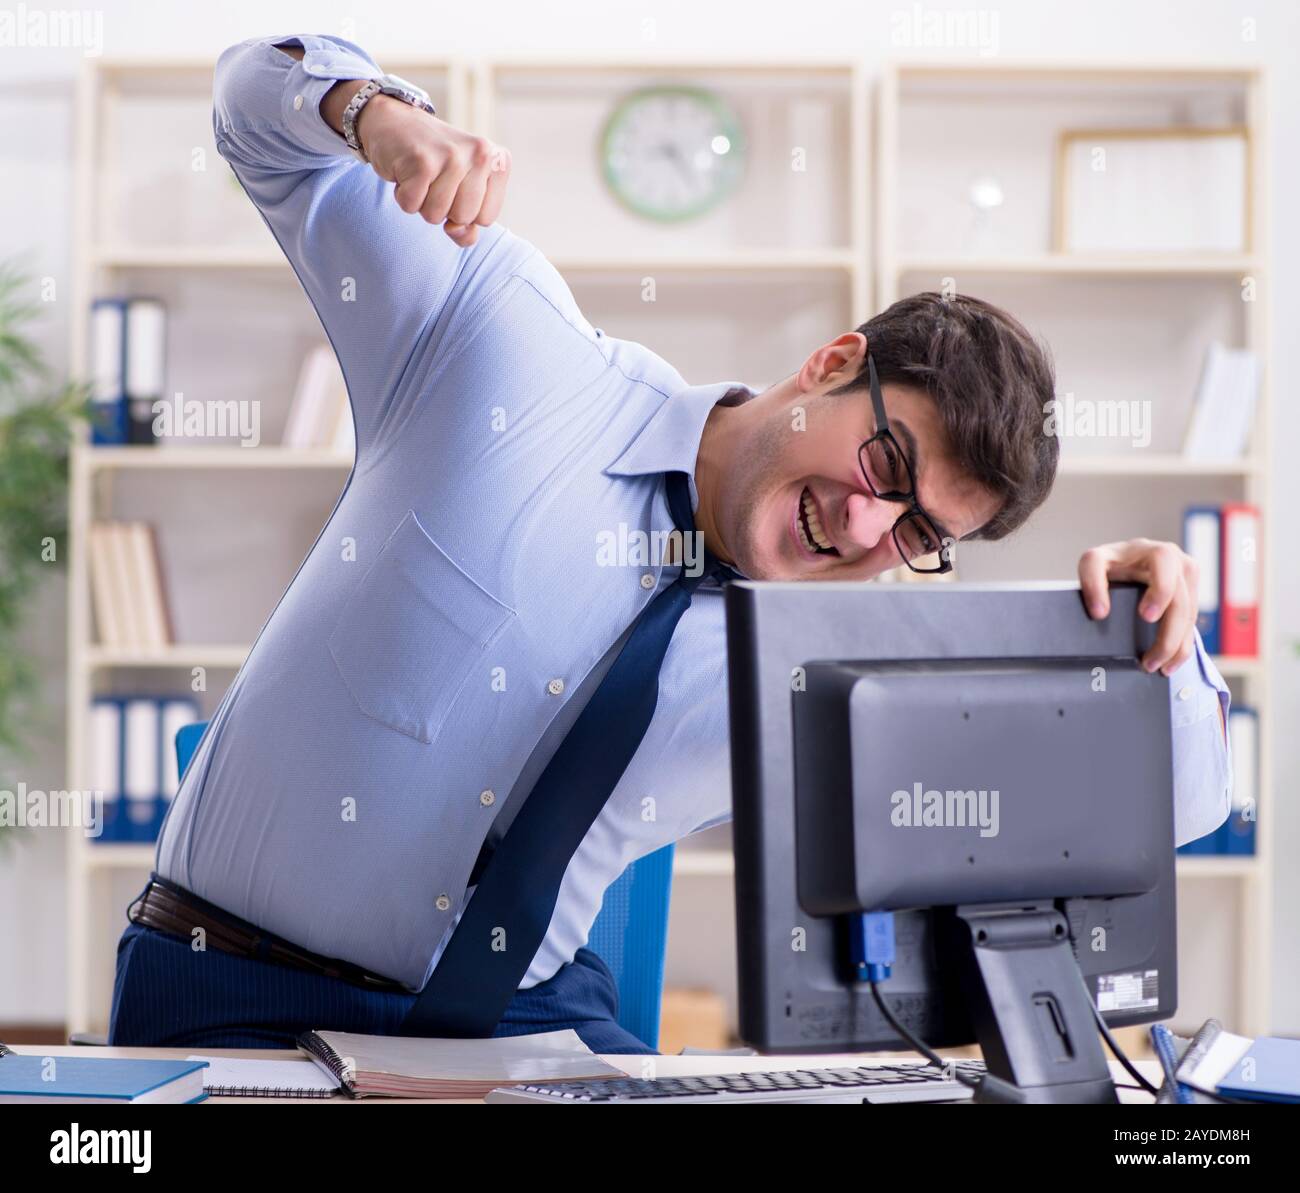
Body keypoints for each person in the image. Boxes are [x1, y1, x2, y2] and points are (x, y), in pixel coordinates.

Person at [109, 33, 1230, 1053]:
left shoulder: (829, 659)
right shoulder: (509, 351)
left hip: (525, 1027)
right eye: (887, 467)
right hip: (232, 984)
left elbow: (1175, 804)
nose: (863, 528)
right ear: (834, 363)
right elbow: (251, 102)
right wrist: (375, 110)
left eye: (920, 533)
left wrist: (1162, 625)